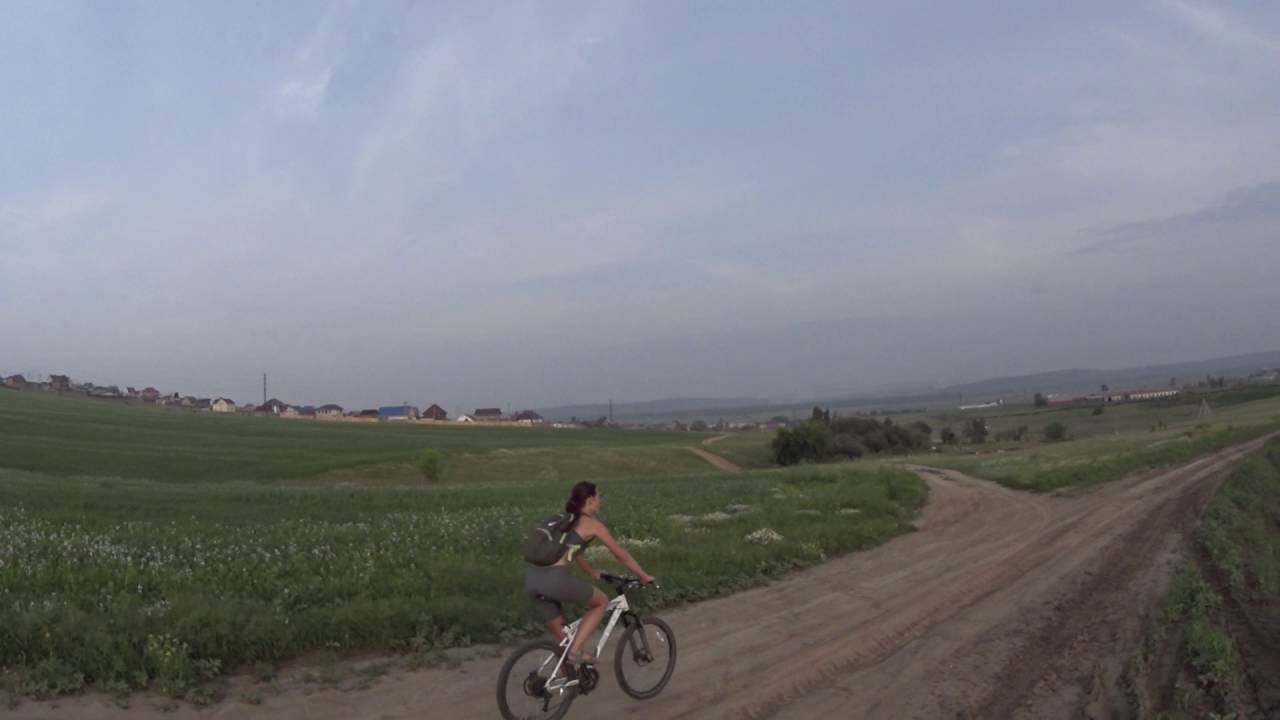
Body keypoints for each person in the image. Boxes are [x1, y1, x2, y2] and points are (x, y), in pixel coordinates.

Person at [525, 481, 656, 665]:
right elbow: (622, 556)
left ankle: (564, 682)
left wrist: (591, 571)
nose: (600, 501)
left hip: (532, 579)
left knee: (562, 639)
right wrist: (644, 576)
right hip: (554, 580)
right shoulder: (592, 525)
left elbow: (574, 551)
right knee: (601, 602)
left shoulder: (564, 520)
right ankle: (577, 651)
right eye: (598, 497)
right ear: (590, 500)